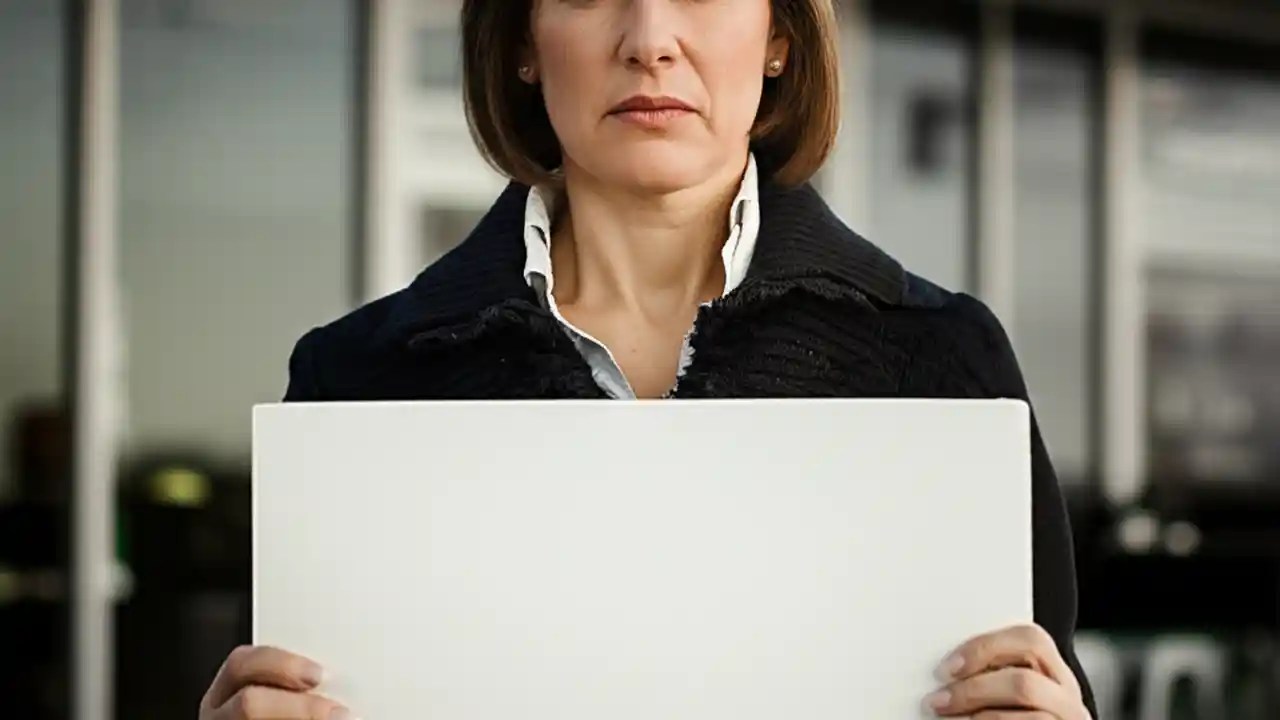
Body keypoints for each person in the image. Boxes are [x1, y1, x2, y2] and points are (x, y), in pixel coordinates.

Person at [199, 1, 1097, 718]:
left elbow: (1038, 680)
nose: (649, 40)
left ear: (779, 36)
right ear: (521, 40)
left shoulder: (941, 357)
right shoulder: (354, 382)